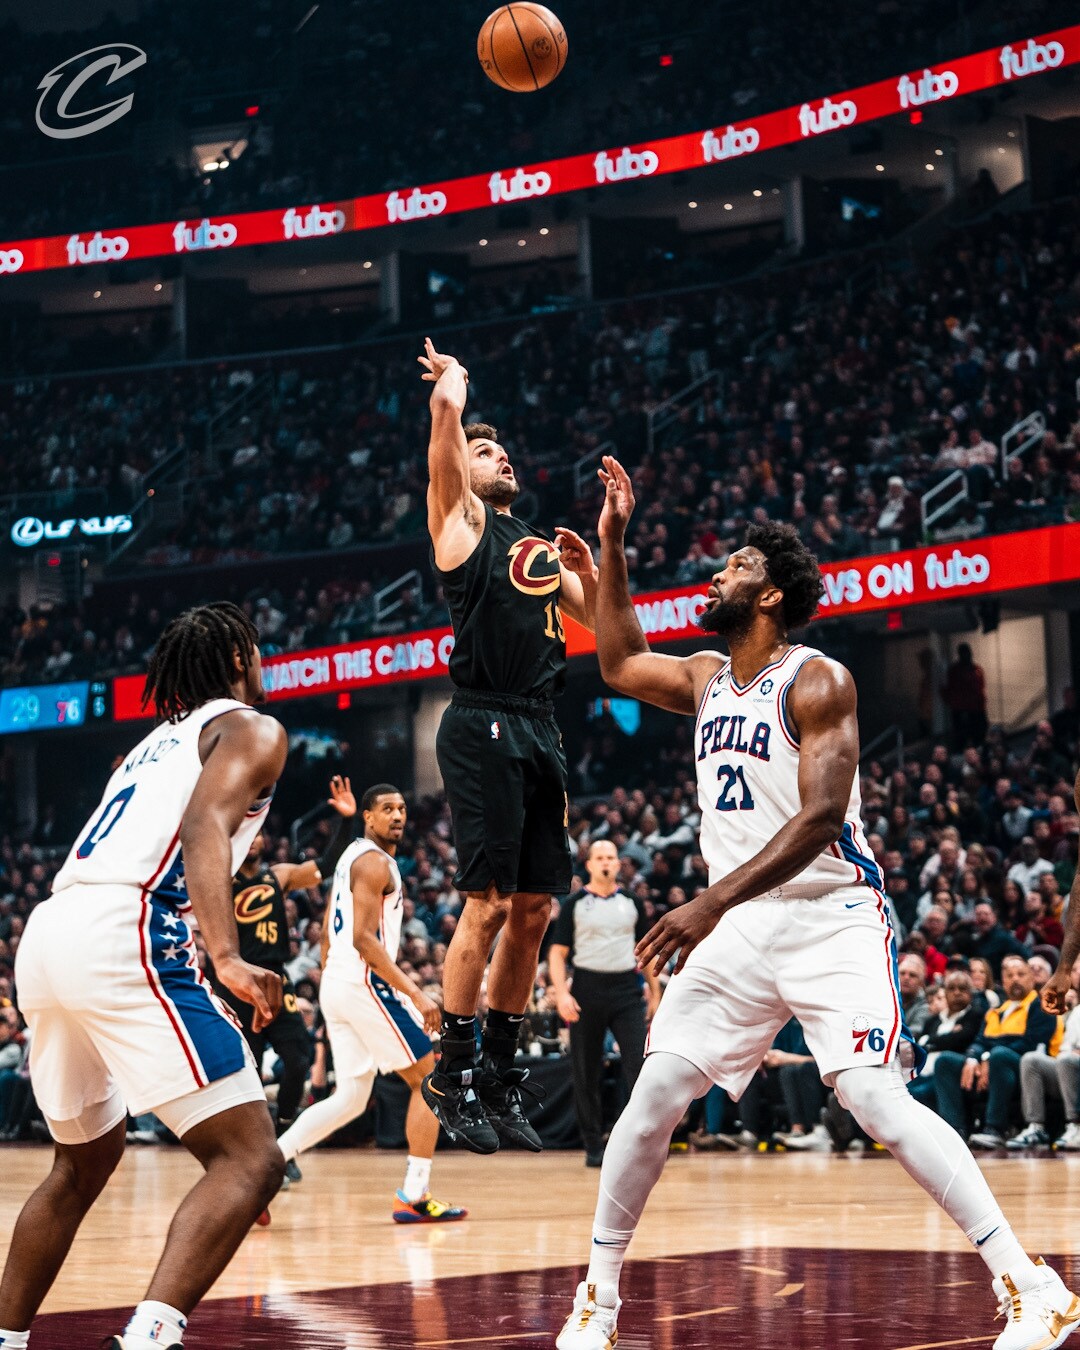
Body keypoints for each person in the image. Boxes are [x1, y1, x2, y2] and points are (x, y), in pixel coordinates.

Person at [554, 457, 1078, 1350]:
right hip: (741, 927)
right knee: (652, 1096)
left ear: (770, 595)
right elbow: (620, 660)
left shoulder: (818, 679)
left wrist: (707, 902)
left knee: (874, 1097)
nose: (716, 573)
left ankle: (1032, 1286)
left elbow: (822, 816)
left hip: (830, 914)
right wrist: (612, 546)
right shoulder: (707, 676)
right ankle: (598, 1300)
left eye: (736, 566)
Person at [0, 603, 288, 1350]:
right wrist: (225, 956)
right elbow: (202, 828)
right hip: (125, 928)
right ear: (238, 660)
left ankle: (5, 1339)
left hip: (51, 930)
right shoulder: (252, 728)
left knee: (79, 1166)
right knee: (251, 1159)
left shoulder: (148, 746)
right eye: (257, 651)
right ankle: (148, 1340)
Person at [417, 338, 597, 1154]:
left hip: (540, 724)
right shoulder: (461, 521)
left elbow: (607, 624)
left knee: (534, 910)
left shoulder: (539, 546)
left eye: (505, 452)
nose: (503, 458)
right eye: (487, 452)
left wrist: (607, 550)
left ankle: (498, 1070)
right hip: (483, 715)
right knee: (487, 904)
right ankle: (451, 1073)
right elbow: (446, 423)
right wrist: (453, 382)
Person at [275, 785, 466, 1224]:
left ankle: (268, 1163)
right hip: (363, 982)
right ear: (368, 817)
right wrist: (415, 992)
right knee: (430, 1080)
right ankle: (414, 1195)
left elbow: (330, 927)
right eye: (386, 809)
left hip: (340, 982)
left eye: (401, 808)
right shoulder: (375, 862)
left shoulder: (350, 857)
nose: (397, 816)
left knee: (350, 1098)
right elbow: (363, 938)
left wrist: (332, 977)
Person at [225, 776, 356, 1184]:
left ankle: (284, 1138)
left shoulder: (278, 875)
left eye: (259, 834)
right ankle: (253, 1148)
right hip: (239, 980)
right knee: (245, 1072)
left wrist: (346, 822)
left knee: (298, 1058)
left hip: (276, 979)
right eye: (247, 835)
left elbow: (324, 868)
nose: (255, 840)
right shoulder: (221, 882)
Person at [547, 840, 660, 1167]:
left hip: (626, 990)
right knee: (586, 1071)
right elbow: (557, 953)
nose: (606, 862)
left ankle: (641, 1141)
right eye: (600, 858)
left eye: (611, 857)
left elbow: (646, 948)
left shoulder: (631, 901)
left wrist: (655, 992)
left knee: (638, 1066)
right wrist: (562, 993)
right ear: (590, 864)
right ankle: (593, 1145)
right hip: (587, 989)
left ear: (618, 863)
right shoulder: (574, 904)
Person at [933, 956, 1060, 1149]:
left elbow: (1030, 1043)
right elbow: (980, 1041)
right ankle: (955, 1130)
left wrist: (988, 1056)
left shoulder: (1041, 1006)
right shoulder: (995, 1011)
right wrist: (973, 1058)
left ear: (1031, 978)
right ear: (1003, 981)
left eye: (1020, 974)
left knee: (1000, 1054)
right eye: (1009, 975)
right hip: (992, 1064)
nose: (1015, 979)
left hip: (1026, 1070)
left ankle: (995, 1128)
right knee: (946, 1061)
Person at [942, 643, 988, 751]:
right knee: (961, 736)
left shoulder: (977, 669)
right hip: (961, 709)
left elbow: (981, 687)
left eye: (968, 653)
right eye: (964, 653)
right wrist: (953, 703)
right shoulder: (954, 671)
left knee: (979, 734)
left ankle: (979, 751)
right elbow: (948, 689)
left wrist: (982, 701)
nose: (967, 655)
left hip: (977, 708)